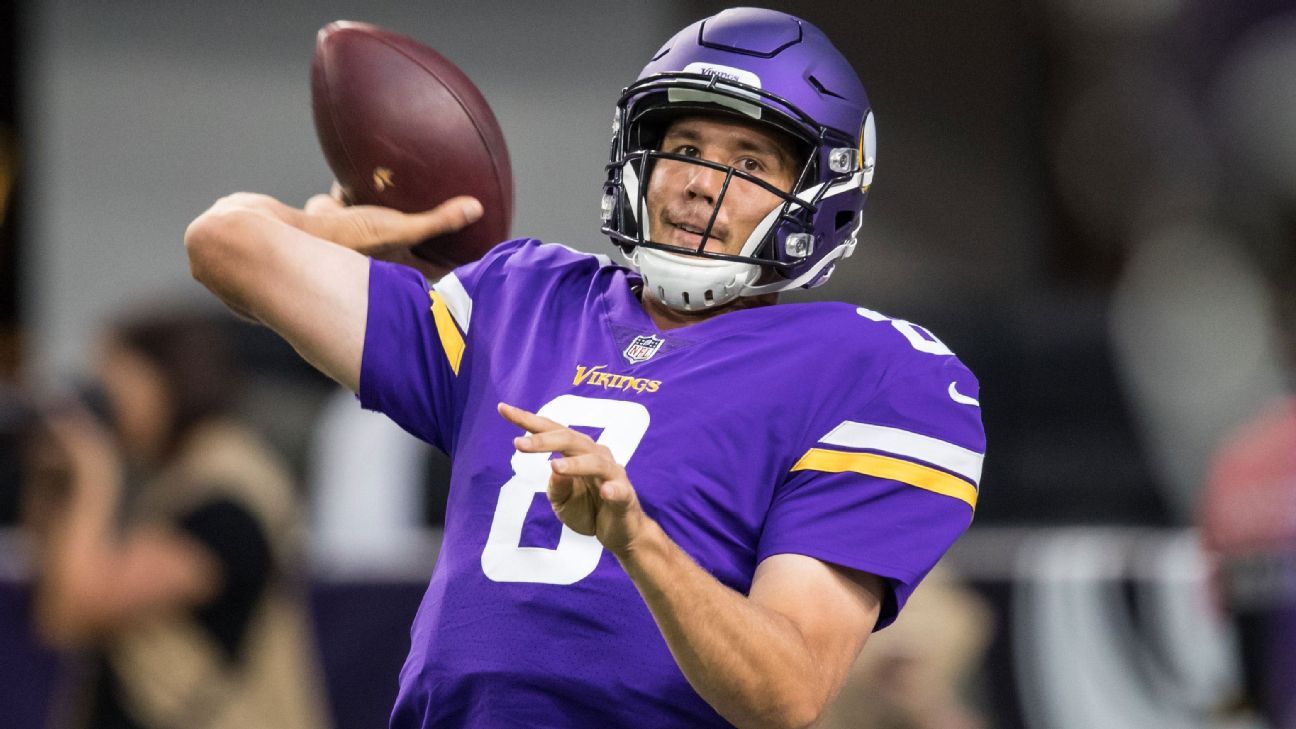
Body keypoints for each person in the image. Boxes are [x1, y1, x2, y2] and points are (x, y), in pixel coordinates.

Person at [184, 8, 984, 727]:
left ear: (819, 196)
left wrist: (637, 540)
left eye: (750, 161)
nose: (704, 183)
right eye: (685, 147)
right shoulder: (519, 297)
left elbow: (784, 692)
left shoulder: (874, 373)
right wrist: (337, 227)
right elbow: (225, 244)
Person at [23, 310, 330, 729]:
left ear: (169, 379)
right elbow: (54, 594)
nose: (108, 403)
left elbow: (74, 610)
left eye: (117, 384)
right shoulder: (173, 480)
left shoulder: (226, 497)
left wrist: (94, 473)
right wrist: (53, 482)